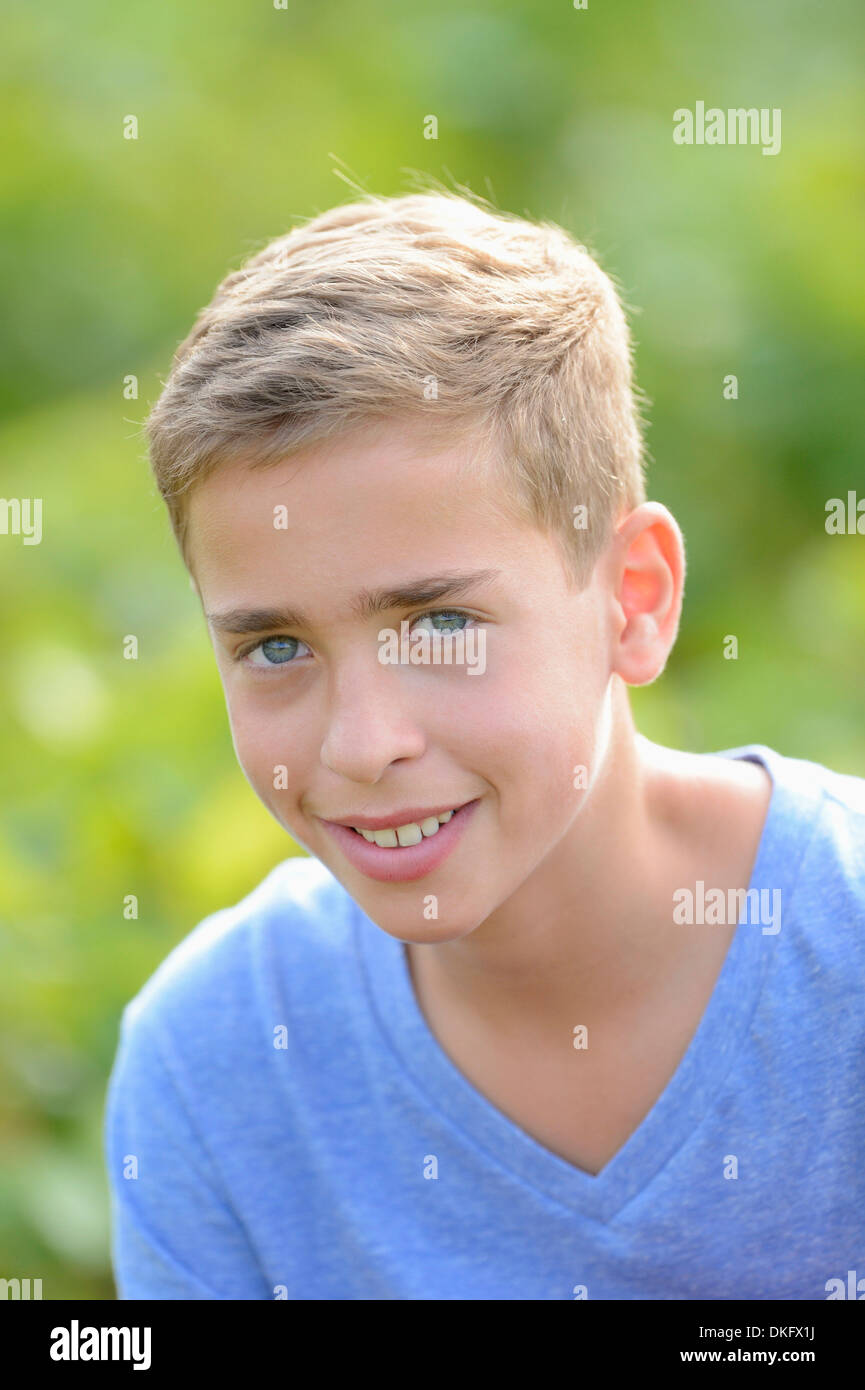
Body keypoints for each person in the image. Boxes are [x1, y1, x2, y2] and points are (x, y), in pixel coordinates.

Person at [104, 189, 865, 1299]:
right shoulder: (212, 1063)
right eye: (274, 647)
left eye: (441, 626)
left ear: (633, 599)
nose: (363, 745)